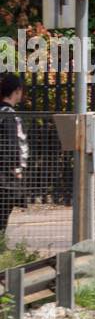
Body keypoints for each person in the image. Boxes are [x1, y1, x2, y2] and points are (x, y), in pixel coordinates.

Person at [0, 73, 28, 241]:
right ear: (17, 91)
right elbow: (11, 144)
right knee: (3, 217)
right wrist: (16, 168)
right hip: (5, 176)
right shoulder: (9, 115)